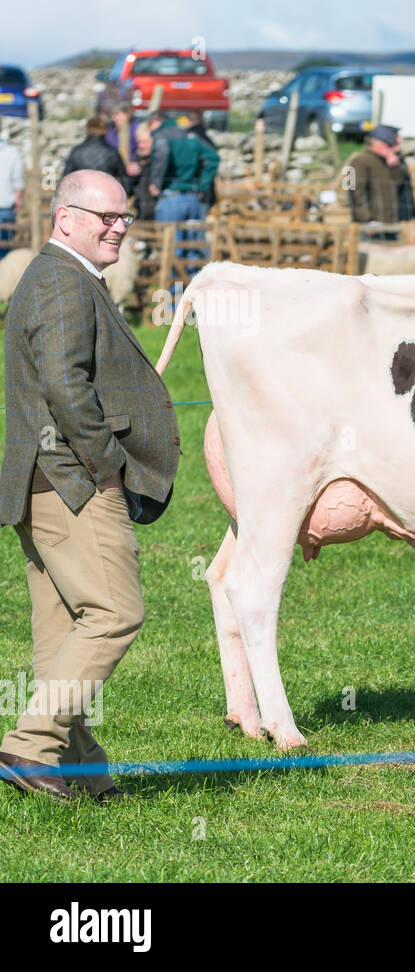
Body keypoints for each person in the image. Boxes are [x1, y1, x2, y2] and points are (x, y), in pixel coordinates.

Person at [0, 170, 180, 803]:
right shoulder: (60, 280)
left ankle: (80, 776)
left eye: (124, 218)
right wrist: (107, 464)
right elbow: (65, 386)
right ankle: (30, 745)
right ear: (64, 218)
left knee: (63, 630)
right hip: (71, 482)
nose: (118, 227)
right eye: (104, 216)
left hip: (44, 484)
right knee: (114, 613)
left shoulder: (60, 276)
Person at [150, 115, 219, 271]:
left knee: (172, 249)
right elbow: (213, 158)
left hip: (171, 196)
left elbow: (163, 153)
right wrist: (201, 185)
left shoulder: (163, 135)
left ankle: (176, 292)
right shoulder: (191, 137)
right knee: (192, 247)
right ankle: (193, 290)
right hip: (192, 198)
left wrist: (157, 182)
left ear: (156, 123)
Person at [347, 124, 415, 230]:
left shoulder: (390, 161)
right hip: (372, 225)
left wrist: (394, 167)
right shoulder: (360, 161)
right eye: (389, 145)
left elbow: (400, 186)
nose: (395, 149)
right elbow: (355, 194)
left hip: (392, 222)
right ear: (376, 143)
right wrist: (366, 220)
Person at [63, 115, 128, 187]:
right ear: (106, 131)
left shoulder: (76, 151)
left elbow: (65, 179)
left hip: (81, 193)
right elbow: (125, 179)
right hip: (105, 193)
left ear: (87, 129)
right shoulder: (112, 152)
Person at [0, 130, 22, 257]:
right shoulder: (13, 152)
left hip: (6, 208)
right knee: (4, 252)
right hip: (7, 208)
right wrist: (18, 203)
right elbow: (18, 184)